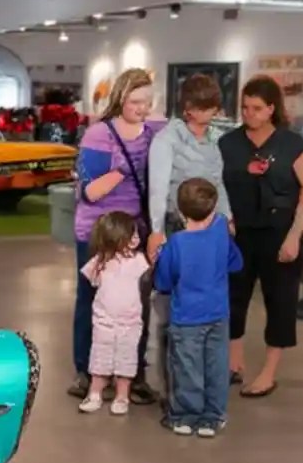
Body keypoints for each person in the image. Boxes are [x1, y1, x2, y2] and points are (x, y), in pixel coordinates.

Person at [220, 76, 303, 397]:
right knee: (234, 298)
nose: (249, 114)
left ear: (272, 109)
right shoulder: (229, 144)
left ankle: (269, 372)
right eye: (245, 107)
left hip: (280, 234)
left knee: (280, 302)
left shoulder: (293, 145)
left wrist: (294, 236)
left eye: (257, 108)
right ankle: (234, 364)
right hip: (240, 233)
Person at [69, 67, 163, 405]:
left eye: (148, 101)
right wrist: (123, 169)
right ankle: (87, 371)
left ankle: (132, 372)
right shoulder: (99, 135)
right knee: (92, 300)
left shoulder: (154, 132)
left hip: (135, 230)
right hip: (99, 231)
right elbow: (91, 191)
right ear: (121, 97)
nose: (143, 108)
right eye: (136, 101)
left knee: (136, 304)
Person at [145, 73, 232, 411]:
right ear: (189, 109)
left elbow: (218, 183)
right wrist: (156, 231)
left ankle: (201, 391)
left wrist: (227, 219)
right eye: (206, 109)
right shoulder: (167, 140)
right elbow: (158, 187)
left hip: (210, 231)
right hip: (175, 227)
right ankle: (168, 387)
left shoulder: (212, 140)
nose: (212, 114)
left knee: (203, 312)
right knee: (170, 313)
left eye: (214, 108)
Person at [152, 178, 243, 437]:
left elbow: (164, 282)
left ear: (180, 213)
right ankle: (212, 417)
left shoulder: (176, 244)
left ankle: (184, 416)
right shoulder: (220, 234)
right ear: (213, 210)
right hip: (218, 314)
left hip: (186, 318)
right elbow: (236, 263)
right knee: (216, 366)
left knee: (187, 367)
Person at [78, 211, 152, 415]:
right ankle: (95, 393)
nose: (136, 239)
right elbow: (91, 281)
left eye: (137, 234)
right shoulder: (99, 262)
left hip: (130, 322)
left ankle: (122, 396)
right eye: (131, 234)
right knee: (100, 357)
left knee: (126, 360)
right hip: (104, 321)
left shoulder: (139, 261)